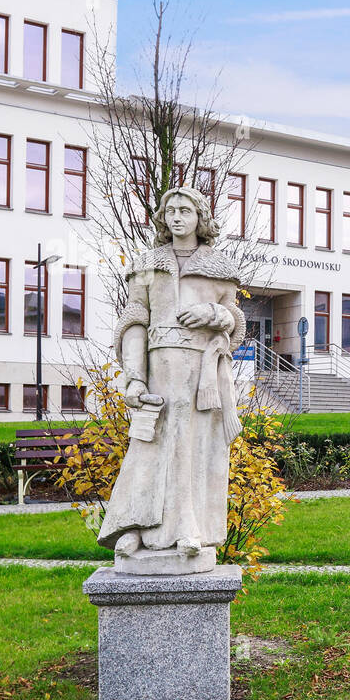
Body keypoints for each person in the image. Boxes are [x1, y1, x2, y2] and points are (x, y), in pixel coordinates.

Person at [97, 186, 245, 570]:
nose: (177, 217)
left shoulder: (220, 268)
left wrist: (213, 312)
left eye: (186, 210)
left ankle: (189, 528)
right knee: (149, 448)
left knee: (193, 450)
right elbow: (134, 323)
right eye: (171, 211)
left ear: (200, 217)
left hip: (201, 379)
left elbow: (235, 322)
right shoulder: (147, 266)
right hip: (159, 373)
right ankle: (132, 529)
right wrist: (134, 379)